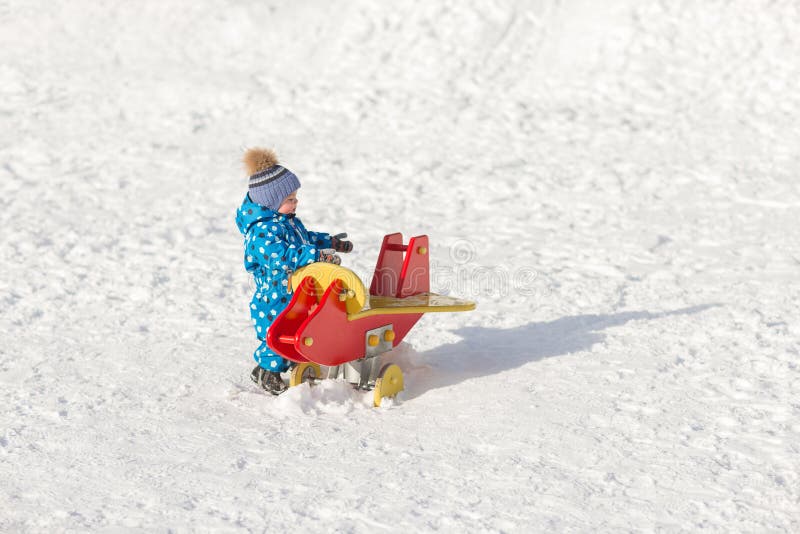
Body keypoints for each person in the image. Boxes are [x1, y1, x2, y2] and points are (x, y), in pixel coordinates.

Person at [235, 148, 353, 394]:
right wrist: (316, 256)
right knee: (278, 332)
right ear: (271, 202)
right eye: (290, 199)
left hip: (295, 289)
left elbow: (305, 239)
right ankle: (268, 373)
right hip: (274, 293)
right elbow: (282, 257)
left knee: (298, 328)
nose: (295, 202)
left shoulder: (286, 221)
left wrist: (330, 242)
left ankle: (280, 368)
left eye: (295, 197)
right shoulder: (261, 232)